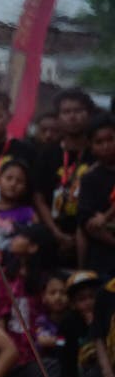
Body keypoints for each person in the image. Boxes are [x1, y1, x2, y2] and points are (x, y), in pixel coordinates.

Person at [0, 224, 63, 377]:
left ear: (33, 247)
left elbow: (51, 321)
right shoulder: (6, 277)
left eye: (20, 236)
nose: (14, 238)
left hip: (34, 355)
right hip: (8, 357)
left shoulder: (45, 282)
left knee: (48, 366)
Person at [34, 88, 97, 266]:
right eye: (66, 112)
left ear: (89, 115)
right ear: (58, 117)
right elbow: (39, 197)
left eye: (78, 111)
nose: (72, 117)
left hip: (90, 233)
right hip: (53, 231)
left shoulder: (99, 154)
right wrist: (56, 232)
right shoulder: (48, 154)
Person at [62, 272, 115, 377]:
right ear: (72, 304)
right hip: (93, 376)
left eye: (92, 297)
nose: (88, 302)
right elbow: (66, 354)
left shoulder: (105, 310)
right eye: (81, 299)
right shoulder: (70, 323)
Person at [78, 113, 115, 277]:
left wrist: (105, 217)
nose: (106, 146)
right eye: (99, 142)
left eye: (111, 139)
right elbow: (88, 222)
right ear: (91, 146)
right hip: (103, 254)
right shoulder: (90, 178)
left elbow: (99, 221)